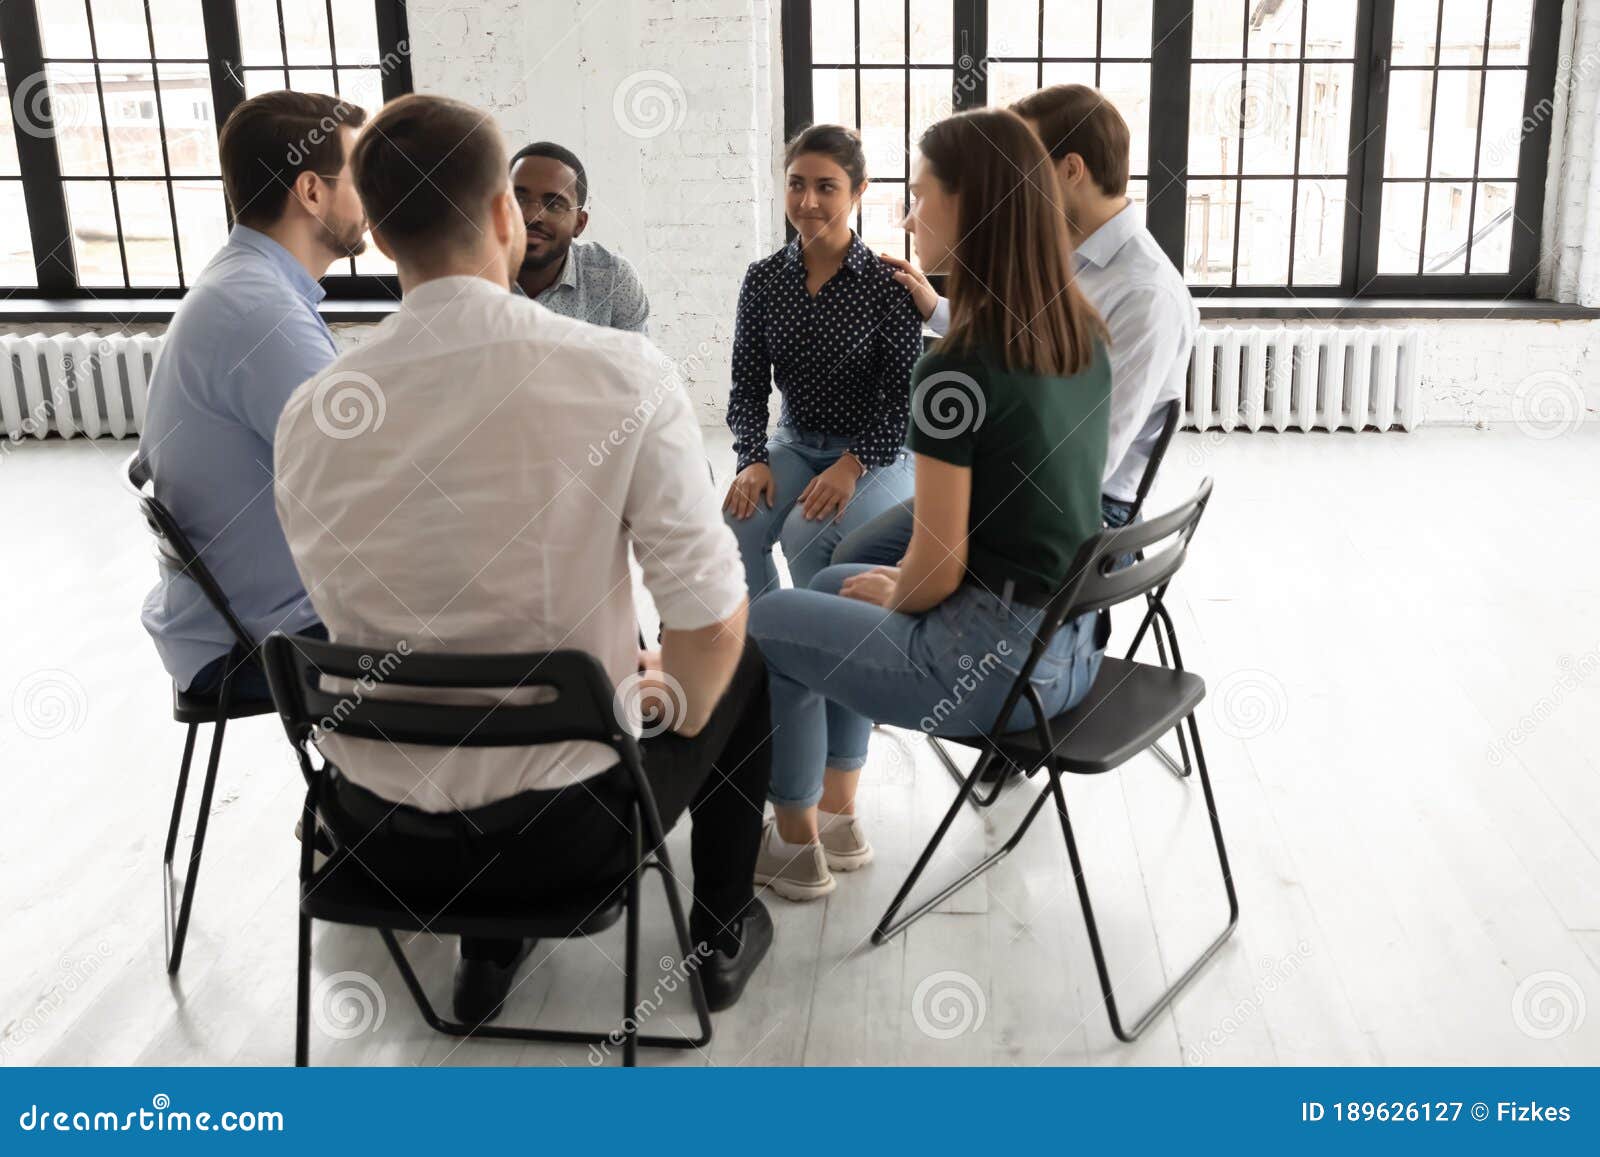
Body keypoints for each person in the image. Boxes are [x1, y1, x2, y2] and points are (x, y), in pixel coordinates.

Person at [274, 94, 772, 1024]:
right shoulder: (624, 375)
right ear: (505, 215)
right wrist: (662, 692)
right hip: (568, 838)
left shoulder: (313, 413)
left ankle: (486, 951)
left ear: (380, 237)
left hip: (376, 834)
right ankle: (720, 931)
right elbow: (709, 621)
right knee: (749, 659)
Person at [745, 109, 1111, 901]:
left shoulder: (955, 370)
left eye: (919, 196)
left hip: (991, 667)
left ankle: (795, 835)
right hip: (1071, 651)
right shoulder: (1080, 332)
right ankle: (838, 813)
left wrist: (902, 588)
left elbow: (936, 572)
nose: (908, 217)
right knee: (841, 565)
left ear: (973, 206)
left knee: (767, 624)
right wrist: (889, 574)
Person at [834, 83, 1197, 568]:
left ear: (1070, 171)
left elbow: (1091, 459)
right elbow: (1015, 344)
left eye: (1025, 164)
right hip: (1017, 481)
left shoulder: (1145, 295)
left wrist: (966, 475)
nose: (1011, 183)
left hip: (1080, 514)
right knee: (853, 554)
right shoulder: (1065, 255)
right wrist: (935, 306)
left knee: (858, 575)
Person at [138, 91, 366, 699]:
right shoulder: (261, 311)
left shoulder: (243, 283)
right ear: (312, 192)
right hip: (261, 639)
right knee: (508, 608)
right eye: (363, 175)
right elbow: (370, 477)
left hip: (230, 618)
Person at [722, 123, 922, 598]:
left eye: (825, 187)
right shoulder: (764, 279)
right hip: (794, 442)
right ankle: (763, 647)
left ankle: (824, 650)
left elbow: (900, 403)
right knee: (737, 522)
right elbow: (747, 387)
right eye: (796, 184)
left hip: (878, 454)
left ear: (858, 191)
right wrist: (751, 458)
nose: (807, 201)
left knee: (806, 533)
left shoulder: (887, 285)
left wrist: (851, 466)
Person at [509, 141, 650, 332]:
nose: (533, 217)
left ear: (579, 223)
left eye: (554, 205)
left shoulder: (614, 281)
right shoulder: (467, 271)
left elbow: (634, 361)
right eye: (519, 200)